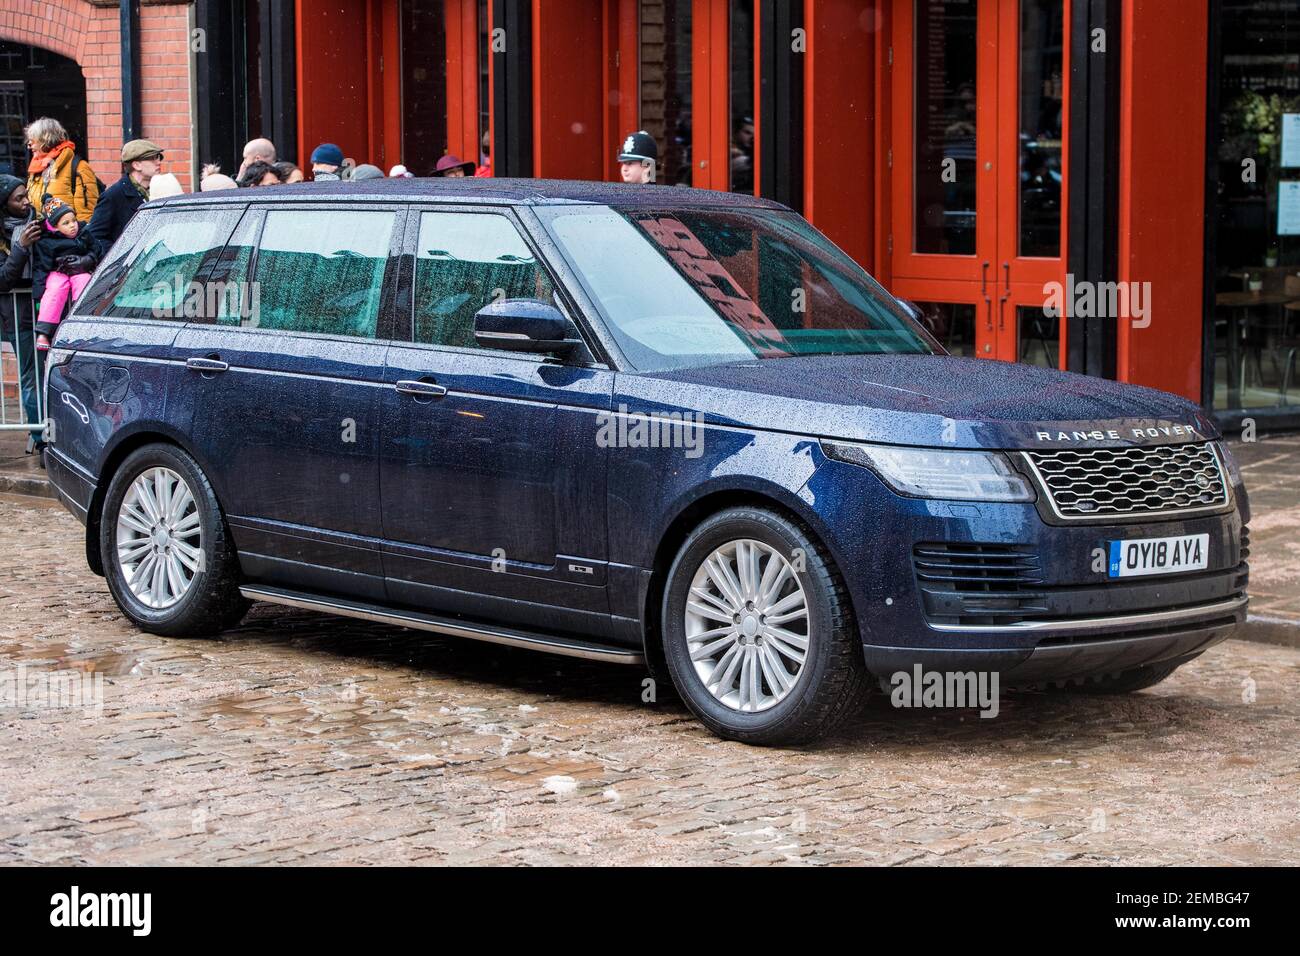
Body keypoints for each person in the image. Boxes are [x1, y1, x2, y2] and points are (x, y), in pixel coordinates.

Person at [0, 175, 43, 445]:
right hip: (18, 316)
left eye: (26, 194)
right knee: (31, 377)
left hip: (46, 309)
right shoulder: (7, 236)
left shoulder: (36, 220)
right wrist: (21, 248)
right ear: (4, 204)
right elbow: (3, 280)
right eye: (19, 199)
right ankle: (41, 438)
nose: (26, 201)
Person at [31, 203, 96, 351]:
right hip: (58, 271)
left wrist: (88, 259)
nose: (72, 225)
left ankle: (81, 328)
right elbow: (41, 267)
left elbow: (97, 249)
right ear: (54, 227)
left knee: (85, 282)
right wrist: (38, 296)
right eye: (66, 223)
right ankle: (44, 332)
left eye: (73, 220)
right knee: (55, 287)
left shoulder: (84, 233)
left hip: (80, 270)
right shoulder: (47, 242)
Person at [87, 139, 163, 257]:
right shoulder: (113, 195)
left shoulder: (158, 190)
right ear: (136, 165)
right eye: (153, 158)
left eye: (159, 157)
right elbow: (95, 235)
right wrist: (120, 257)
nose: (158, 162)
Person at [24, 117, 99, 222]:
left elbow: (87, 215)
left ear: (46, 139)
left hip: (68, 232)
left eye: (33, 140)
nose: (29, 145)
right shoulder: (36, 169)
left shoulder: (79, 167)